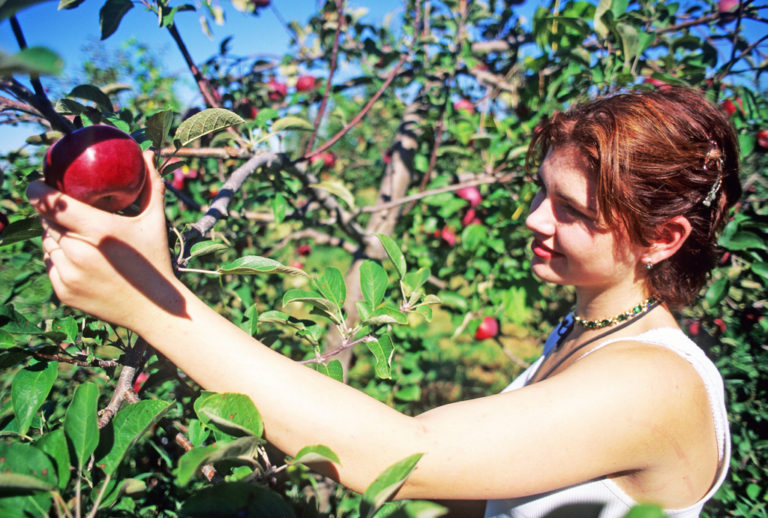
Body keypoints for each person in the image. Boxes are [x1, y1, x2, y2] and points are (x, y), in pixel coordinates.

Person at [27, 85, 739, 518]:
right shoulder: (588, 331)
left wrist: (154, 303)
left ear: (663, 237)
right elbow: (477, 491)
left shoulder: (655, 381)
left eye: (571, 210)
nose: (532, 220)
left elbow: (406, 456)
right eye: (540, 193)